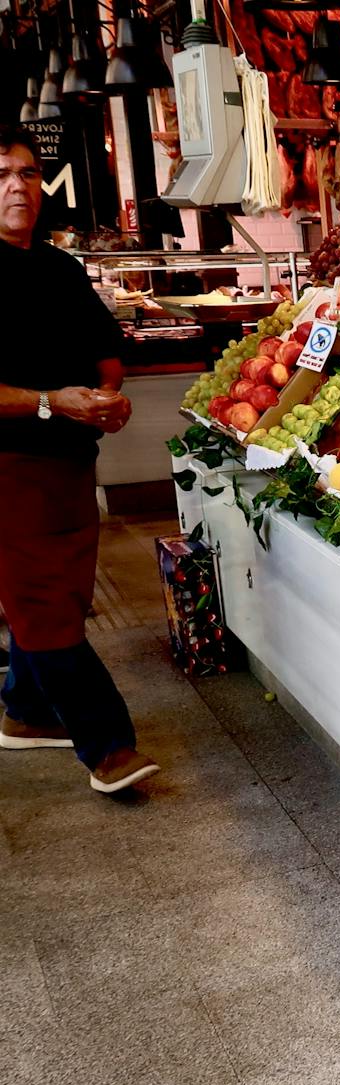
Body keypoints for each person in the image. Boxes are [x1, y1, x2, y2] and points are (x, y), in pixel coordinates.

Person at [0, 125, 159, 794]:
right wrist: (49, 403)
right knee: (43, 607)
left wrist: (110, 398)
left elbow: (106, 352)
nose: (17, 186)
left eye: (29, 173)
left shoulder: (59, 267)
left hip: (70, 468)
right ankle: (107, 746)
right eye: (2, 173)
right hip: (11, 469)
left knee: (58, 598)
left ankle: (27, 710)